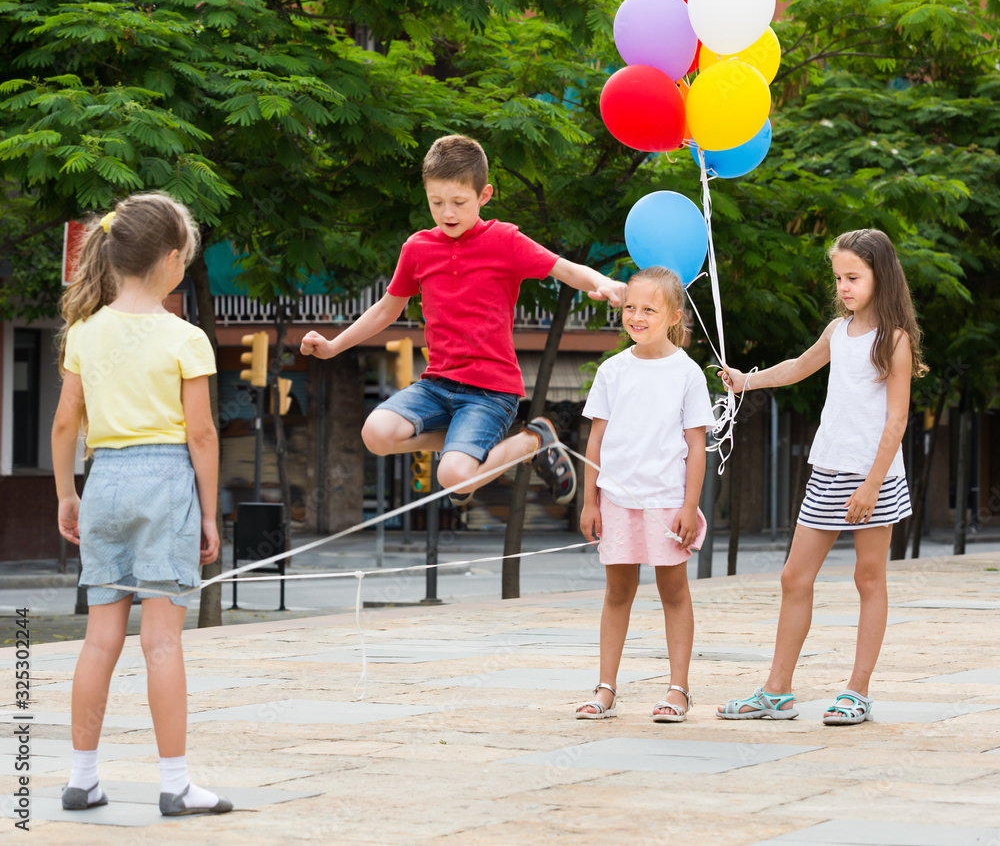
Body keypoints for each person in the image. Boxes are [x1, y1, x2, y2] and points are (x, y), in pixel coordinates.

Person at [300, 134, 628, 506]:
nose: (447, 214)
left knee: (453, 477)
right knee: (375, 433)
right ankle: (464, 449)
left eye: (459, 202)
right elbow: (385, 309)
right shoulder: (417, 248)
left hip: (490, 391)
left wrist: (603, 282)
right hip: (438, 385)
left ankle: (533, 441)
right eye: (436, 202)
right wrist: (332, 346)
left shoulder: (505, 240)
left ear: (484, 196)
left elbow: (564, 269)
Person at [51, 193, 232, 816]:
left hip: (104, 481)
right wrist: (208, 514)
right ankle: (176, 784)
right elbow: (202, 435)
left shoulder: (83, 333)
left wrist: (66, 495)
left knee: (100, 639)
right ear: (173, 260)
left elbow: (63, 425)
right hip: (167, 484)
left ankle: (82, 778)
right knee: (162, 644)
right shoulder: (187, 338)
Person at [717, 228, 926, 725]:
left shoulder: (894, 340)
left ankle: (857, 691)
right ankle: (777, 692)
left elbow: (897, 420)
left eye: (854, 277)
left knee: (868, 578)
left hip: (873, 478)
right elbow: (797, 367)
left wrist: (873, 484)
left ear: (882, 275)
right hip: (827, 471)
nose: (844, 287)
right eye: (839, 278)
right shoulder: (837, 331)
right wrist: (748, 380)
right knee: (794, 576)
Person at [575, 266, 715, 722]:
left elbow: (697, 445)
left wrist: (689, 506)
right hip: (616, 499)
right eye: (630, 307)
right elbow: (595, 440)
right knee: (618, 591)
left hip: (667, 502)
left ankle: (678, 689)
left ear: (673, 315)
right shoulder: (612, 371)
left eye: (649, 309)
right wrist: (590, 500)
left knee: (673, 590)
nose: (636, 316)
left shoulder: (688, 373)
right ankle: (605, 688)